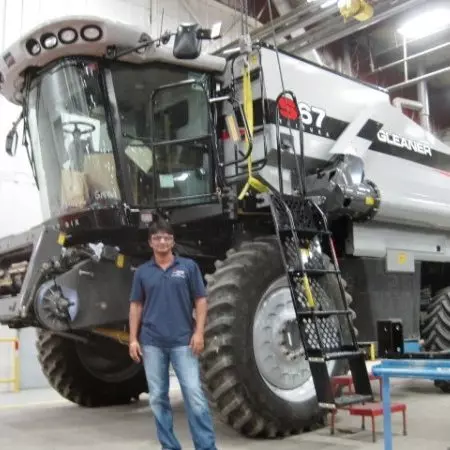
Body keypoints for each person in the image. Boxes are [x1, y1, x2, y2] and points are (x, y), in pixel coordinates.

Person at [128, 218, 218, 450]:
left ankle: (206, 446)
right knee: (158, 398)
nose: (162, 242)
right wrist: (133, 339)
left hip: (183, 342)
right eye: (157, 238)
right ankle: (169, 446)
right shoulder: (143, 273)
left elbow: (201, 300)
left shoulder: (188, 267)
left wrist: (199, 333)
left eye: (166, 238)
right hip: (152, 343)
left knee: (194, 395)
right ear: (150, 242)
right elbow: (136, 306)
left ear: (173, 241)